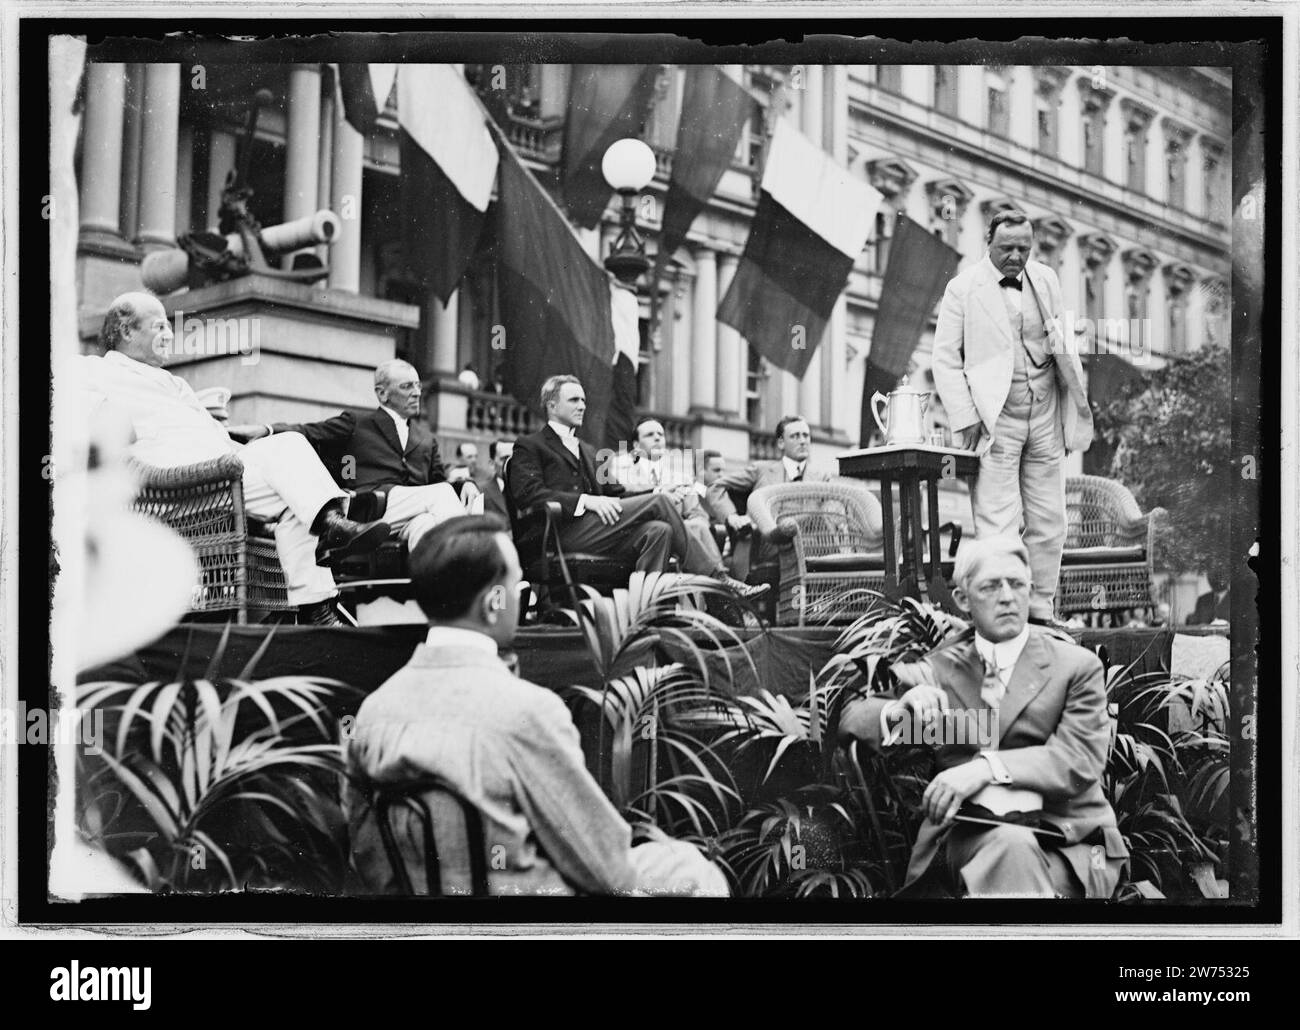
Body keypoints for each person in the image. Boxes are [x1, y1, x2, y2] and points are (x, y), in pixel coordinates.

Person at [342, 515, 729, 896]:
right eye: (517, 585)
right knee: (691, 870)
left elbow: (368, 855)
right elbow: (605, 868)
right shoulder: (527, 711)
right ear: (494, 602)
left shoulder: (373, 713)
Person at [837, 536, 1128, 899]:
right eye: (991, 586)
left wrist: (985, 769)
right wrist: (902, 709)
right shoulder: (941, 669)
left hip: (1072, 844)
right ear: (963, 599)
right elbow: (853, 719)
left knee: (1012, 851)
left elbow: (1077, 758)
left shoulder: (1075, 667)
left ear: (1030, 591)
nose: (1007, 597)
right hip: (971, 837)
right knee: (1009, 847)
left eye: (1017, 584)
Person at [80, 292, 391, 627]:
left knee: (293, 475)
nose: (169, 334)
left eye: (169, 326)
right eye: (159, 327)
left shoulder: (174, 382)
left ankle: (317, 603)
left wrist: (251, 447)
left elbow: (215, 435)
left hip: (220, 477)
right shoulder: (92, 370)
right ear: (126, 330)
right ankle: (335, 522)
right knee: (288, 463)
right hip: (168, 487)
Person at [931, 210, 1093, 627]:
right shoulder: (962, 288)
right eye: (1007, 248)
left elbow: (1061, 340)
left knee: (1050, 521)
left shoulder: (1046, 280)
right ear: (988, 242)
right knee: (997, 522)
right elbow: (945, 359)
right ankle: (1001, 615)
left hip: (1044, 414)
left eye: (1024, 248)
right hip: (996, 420)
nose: (1016, 257)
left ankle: (1040, 610)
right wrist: (965, 416)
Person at [232, 360, 475, 550]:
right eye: (407, 386)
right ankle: (477, 562)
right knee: (441, 494)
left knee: (427, 526)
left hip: (411, 514)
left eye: (418, 385)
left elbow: (438, 480)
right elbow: (309, 432)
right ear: (382, 394)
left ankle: (445, 593)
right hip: (370, 510)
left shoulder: (426, 438)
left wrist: (463, 483)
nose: (417, 393)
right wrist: (267, 429)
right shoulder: (357, 422)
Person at [507, 375, 686, 574]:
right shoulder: (530, 445)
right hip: (557, 533)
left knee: (659, 530)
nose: (582, 406)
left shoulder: (590, 451)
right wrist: (585, 501)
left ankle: (647, 593)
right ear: (552, 406)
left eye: (583, 400)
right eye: (574, 400)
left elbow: (617, 493)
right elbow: (529, 494)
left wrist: (656, 490)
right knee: (660, 502)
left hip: (597, 530)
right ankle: (704, 572)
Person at [615, 418, 767, 599]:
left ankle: (720, 586)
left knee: (698, 526)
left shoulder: (680, 477)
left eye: (660, 434)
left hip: (681, 541)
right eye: (649, 435)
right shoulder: (623, 472)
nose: (657, 438)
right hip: (643, 536)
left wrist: (685, 526)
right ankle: (723, 587)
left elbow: (697, 515)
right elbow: (626, 504)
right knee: (678, 527)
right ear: (636, 445)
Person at [704, 415, 832, 534]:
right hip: (763, 540)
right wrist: (731, 517)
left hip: (805, 544)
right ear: (781, 443)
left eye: (806, 435)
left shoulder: (822, 479)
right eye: (795, 436)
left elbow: (832, 516)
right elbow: (715, 486)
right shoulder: (761, 470)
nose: (803, 441)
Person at [476, 439, 514, 525]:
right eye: (505, 458)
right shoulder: (479, 491)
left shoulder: (527, 490)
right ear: (492, 464)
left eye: (514, 458)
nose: (511, 463)